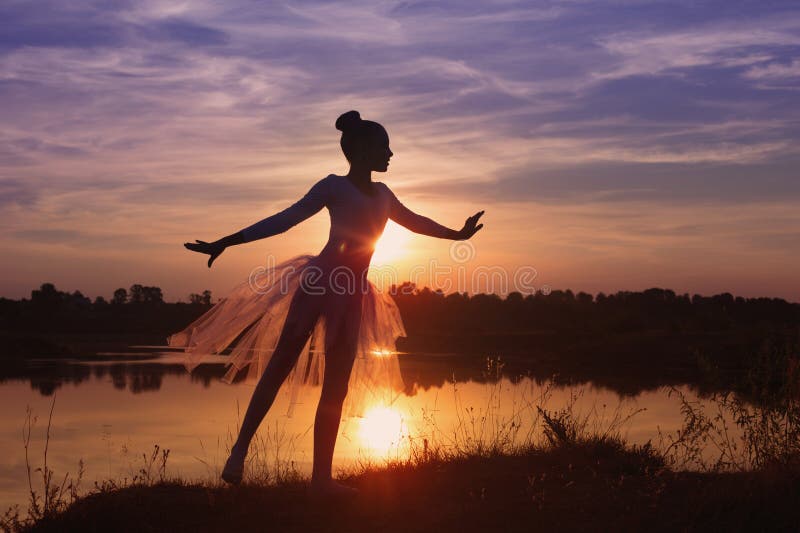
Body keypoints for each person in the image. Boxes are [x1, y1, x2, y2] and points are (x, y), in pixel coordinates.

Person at [169, 110, 484, 498]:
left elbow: (415, 221)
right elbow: (285, 219)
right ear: (364, 150)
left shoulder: (384, 196)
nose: (391, 154)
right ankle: (238, 452)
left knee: (336, 385)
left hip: (353, 293)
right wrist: (225, 241)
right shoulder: (333, 186)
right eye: (384, 146)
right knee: (280, 366)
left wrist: (457, 235)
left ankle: (321, 478)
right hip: (320, 282)